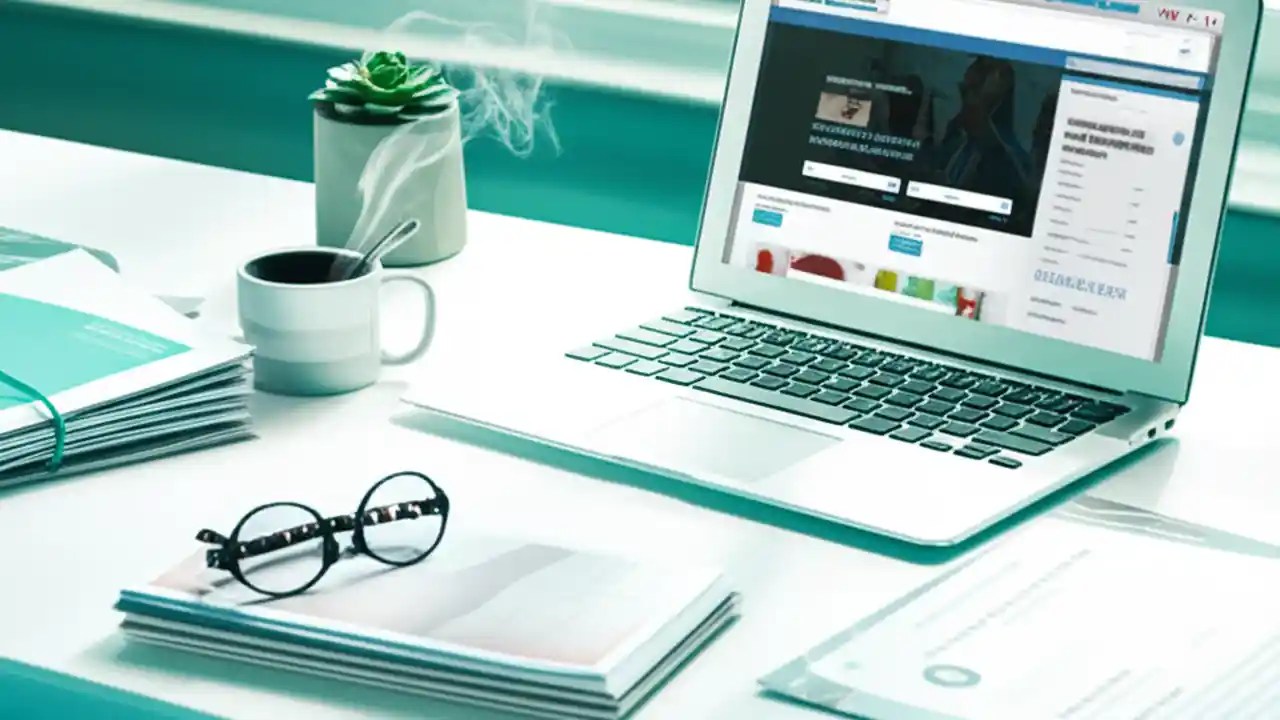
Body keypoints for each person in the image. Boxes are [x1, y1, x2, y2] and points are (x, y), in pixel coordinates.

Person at [932, 57, 1036, 216]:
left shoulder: (1012, 162)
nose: (963, 100)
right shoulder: (956, 143)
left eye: (968, 91)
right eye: (963, 90)